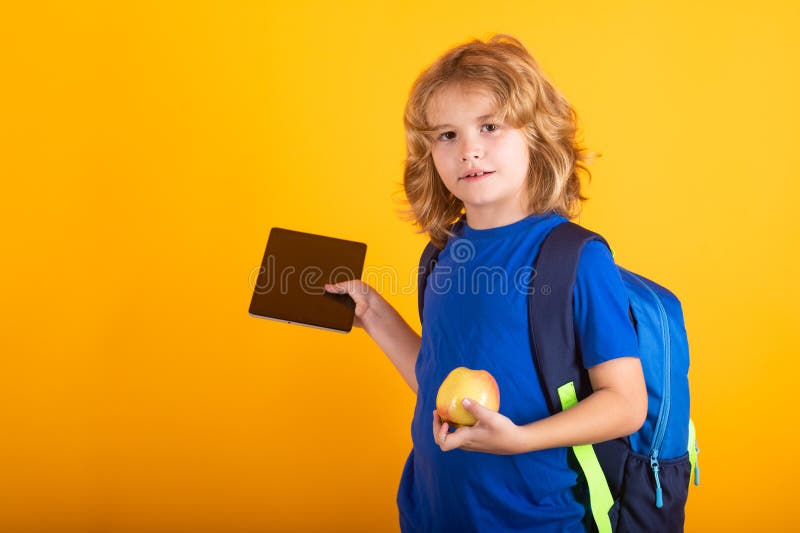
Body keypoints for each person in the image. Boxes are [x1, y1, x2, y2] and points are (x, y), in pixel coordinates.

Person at [324, 34, 647, 533]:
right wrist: (371, 313)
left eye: (490, 126)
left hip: (534, 520)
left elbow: (625, 404)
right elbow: (437, 383)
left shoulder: (575, 258)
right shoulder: (441, 253)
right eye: (447, 135)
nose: (469, 150)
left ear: (536, 136)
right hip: (429, 513)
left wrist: (520, 439)